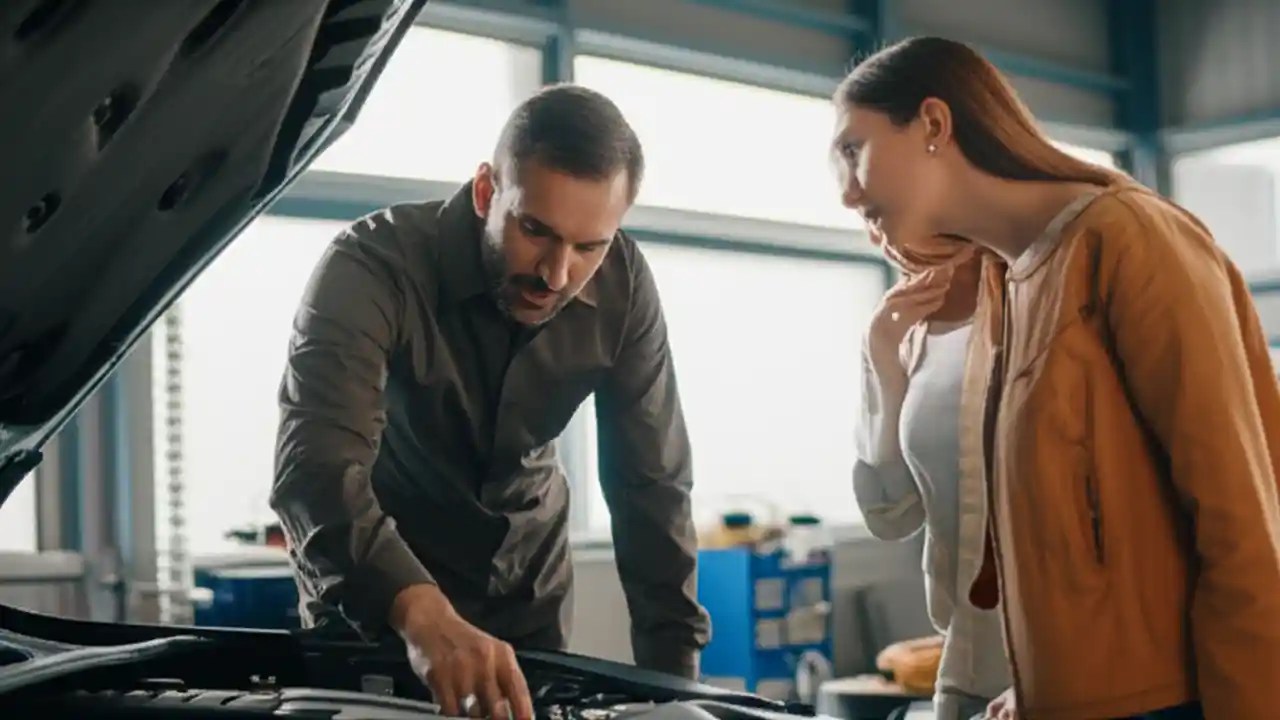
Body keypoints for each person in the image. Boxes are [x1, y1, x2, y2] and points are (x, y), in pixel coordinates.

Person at [832, 36, 1280, 720]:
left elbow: (1242, 521)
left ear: (933, 124)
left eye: (852, 151)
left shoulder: (1130, 238)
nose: (846, 192)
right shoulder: (1014, 283)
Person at [270, 83, 711, 720]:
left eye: (589, 247)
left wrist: (675, 691)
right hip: (375, 608)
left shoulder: (626, 286)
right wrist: (422, 612)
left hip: (526, 607)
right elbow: (314, 471)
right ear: (486, 193)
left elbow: (652, 487)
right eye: (536, 231)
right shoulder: (370, 265)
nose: (556, 274)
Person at [847, 205, 1012, 719]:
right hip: (964, 673)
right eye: (867, 222)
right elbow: (890, 514)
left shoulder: (1034, 297)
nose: (879, 237)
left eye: (880, 210)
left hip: (1052, 678)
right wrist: (881, 354)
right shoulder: (911, 332)